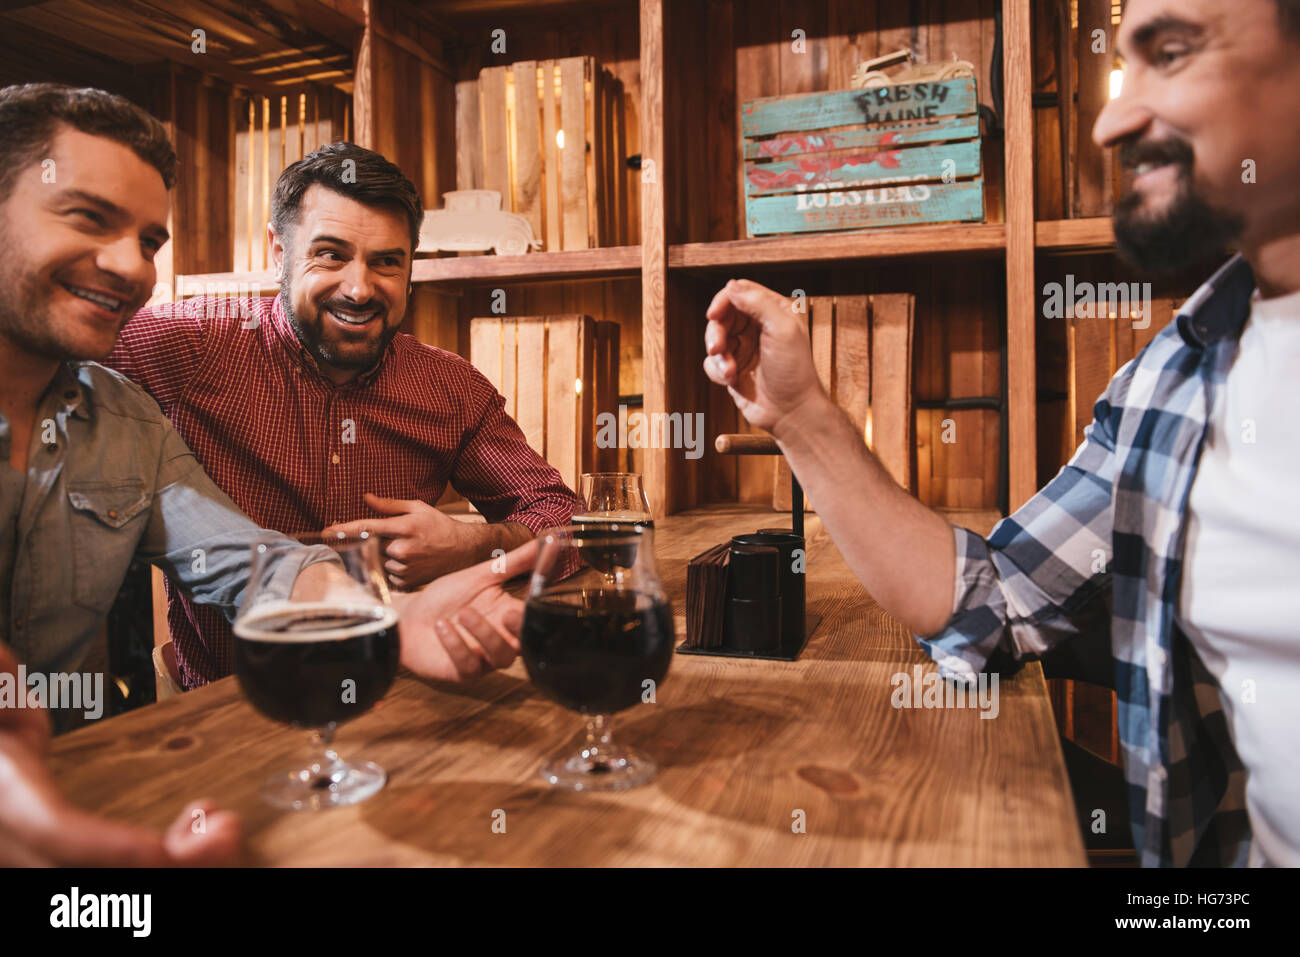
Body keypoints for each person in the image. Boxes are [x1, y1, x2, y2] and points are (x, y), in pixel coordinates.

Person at [703, 0, 1300, 867]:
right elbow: (993, 607)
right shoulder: (1174, 383)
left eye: (1172, 52)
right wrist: (800, 417)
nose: (1112, 120)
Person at [0, 82, 533, 864]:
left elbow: (250, 561)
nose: (129, 267)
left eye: (151, 241)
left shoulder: (125, 420)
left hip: (105, 802)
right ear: (276, 254)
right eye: (89, 218)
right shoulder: (179, 351)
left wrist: (389, 616)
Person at [105, 140, 580, 689]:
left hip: (399, 694)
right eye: (330, 254)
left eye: (386, 262)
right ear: (277, 252)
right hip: (225, 703)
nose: (359, 288)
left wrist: (473, 545)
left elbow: (565, 522)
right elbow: (46, 362)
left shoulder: (451, 388)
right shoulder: (185, 346)